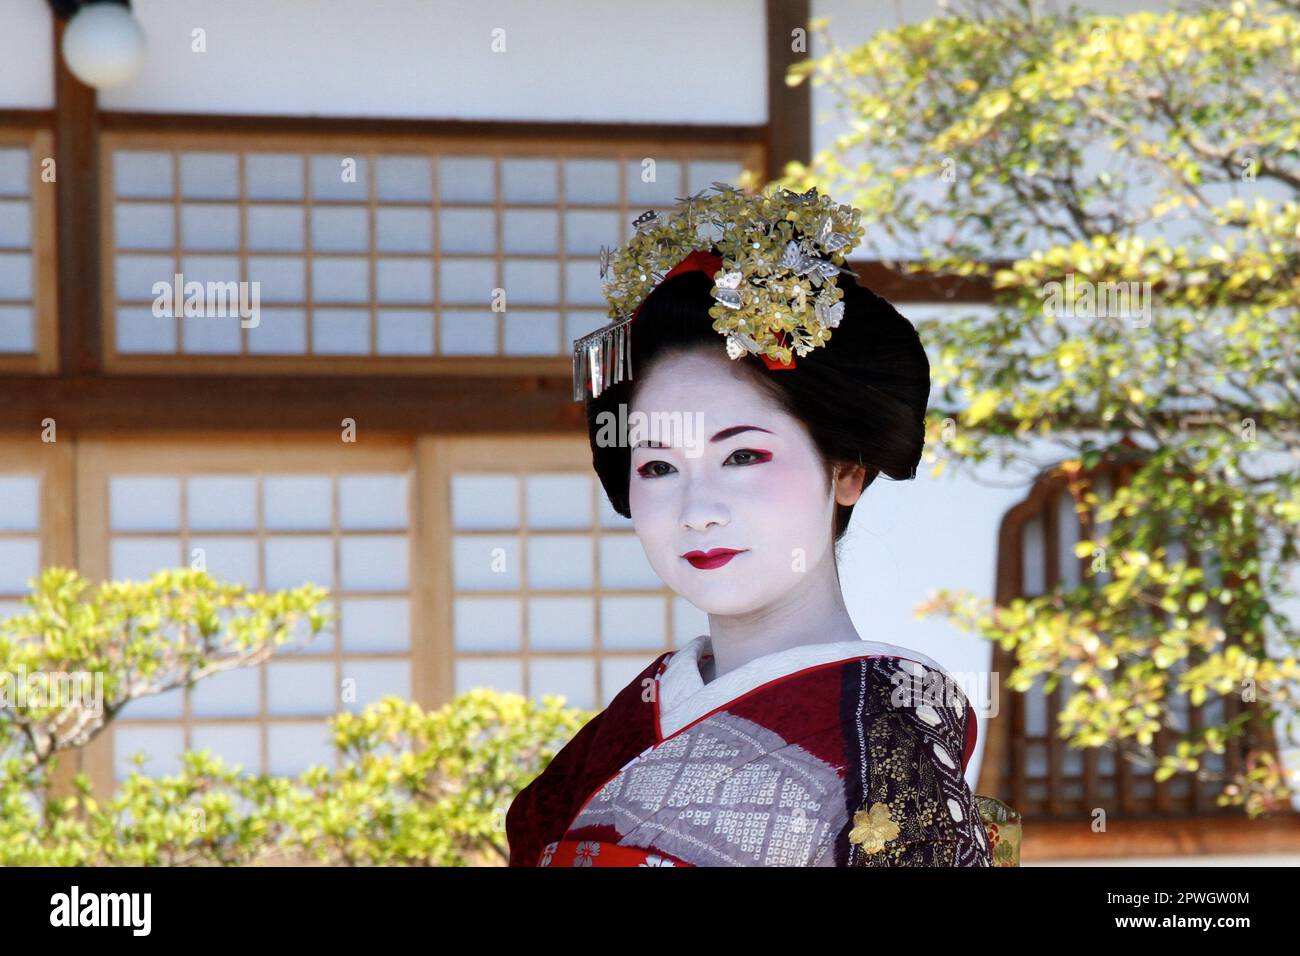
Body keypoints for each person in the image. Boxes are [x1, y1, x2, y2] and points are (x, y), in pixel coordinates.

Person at [505, 183, 992, 867]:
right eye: (658, 468)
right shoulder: (619, 729)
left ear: (846, 471)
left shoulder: (886, 724)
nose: (697, 508)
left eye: (743, 455)